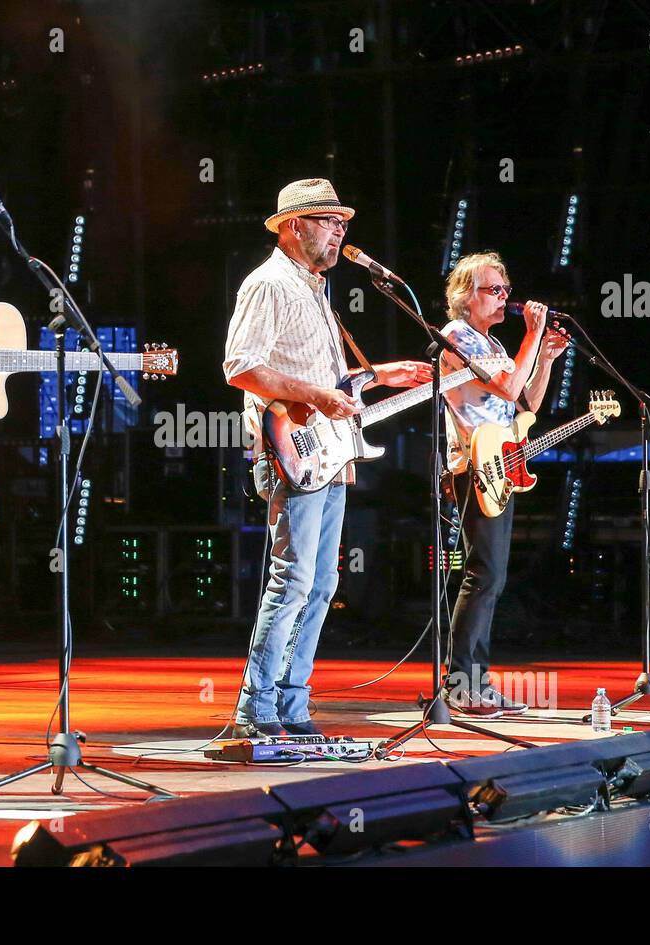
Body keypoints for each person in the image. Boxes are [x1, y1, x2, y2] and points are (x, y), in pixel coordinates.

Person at [223, 178, 433, 738]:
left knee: (319, 587)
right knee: (292, 582)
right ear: (293, 225)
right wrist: (316, 396)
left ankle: (292, 705)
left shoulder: (314, 287)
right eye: (327, 220)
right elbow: (240, 366)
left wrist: (380, 375)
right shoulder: (268, 285)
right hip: (292, 450)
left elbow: (324, 378)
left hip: (327, 453)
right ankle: (256, 709)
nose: (340, 230)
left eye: (343, 221)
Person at [439, 252, 568, 716]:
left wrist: (547, 357)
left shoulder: (491, 345)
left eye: (505, 290)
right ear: (465, 297)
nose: (504, 298)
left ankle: (475, 681)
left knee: (492, 576)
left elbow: (526, 402)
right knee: (484, 573)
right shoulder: (457, 337)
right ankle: (460, 683)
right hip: (474, 464)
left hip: (499, 460)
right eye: (493, 290)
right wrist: (532, 335)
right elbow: (510, 389)